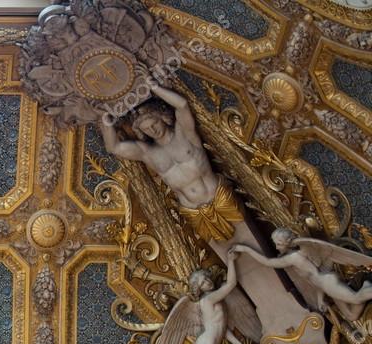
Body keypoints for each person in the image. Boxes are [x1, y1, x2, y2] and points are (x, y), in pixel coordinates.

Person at [101, 84, 237, 242]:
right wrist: (106, 122)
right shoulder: (147, 153)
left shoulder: (184, 133)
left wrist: (153, 86)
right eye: (146, 129)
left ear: (162, 118)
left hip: (220, 196)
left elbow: (182, 105)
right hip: (192, 210)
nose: (152, 130)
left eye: (154, 124)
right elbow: (113, 147)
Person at [232, 229, 372, 322]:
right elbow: (315, 277)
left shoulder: (293, 258)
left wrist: (246, 249)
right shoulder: (300, 255)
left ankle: (367, 289)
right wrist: (320, 298)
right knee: (351, 316)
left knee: (356, 298)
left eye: (279, 244)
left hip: (328, 283)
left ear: (287, 243)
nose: (276, 248)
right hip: (326, 282)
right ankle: (367, 286)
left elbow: (269, 262)